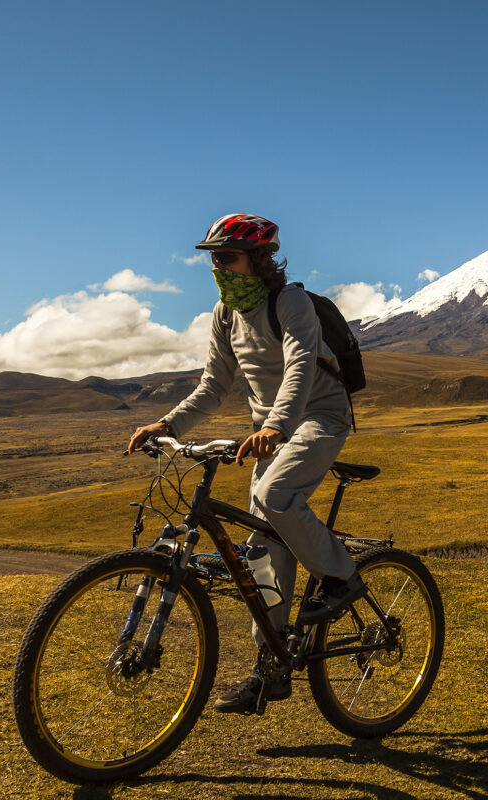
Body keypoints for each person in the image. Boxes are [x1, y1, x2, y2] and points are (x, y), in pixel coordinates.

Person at [126, 213, 363, 714]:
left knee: (276, 497)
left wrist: (276, 426)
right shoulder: (225, 313)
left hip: (318, 416)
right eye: (213, 258)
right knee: (263, 543)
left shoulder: (290, 302)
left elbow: (300, 363)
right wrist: (166, 425)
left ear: (258, 259)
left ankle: (341, 577)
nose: (218, 266)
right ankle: (270, 669)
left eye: (227, 257)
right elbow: (214, 385)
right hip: (269, 430)